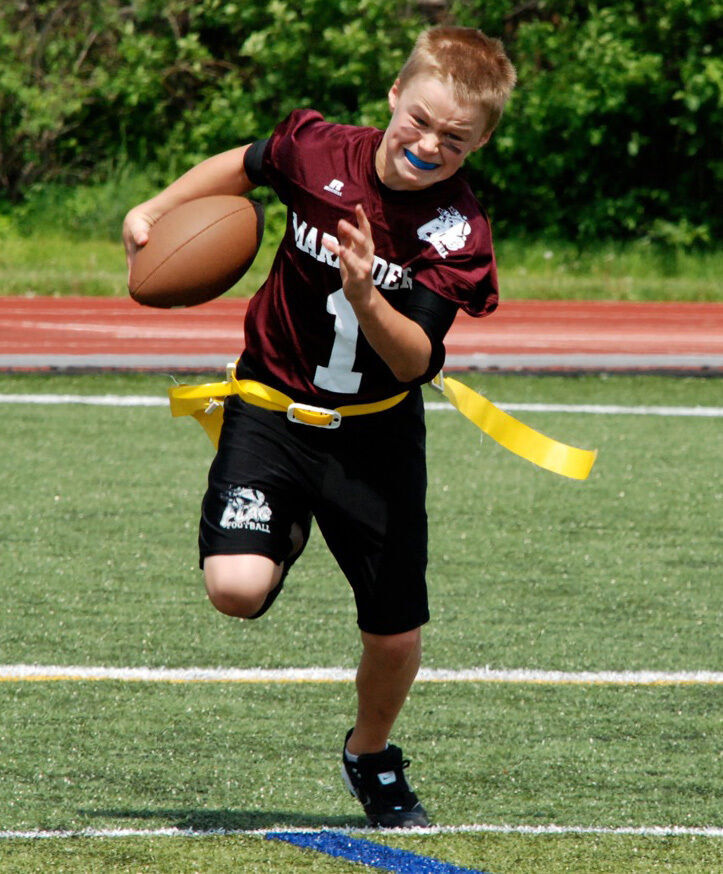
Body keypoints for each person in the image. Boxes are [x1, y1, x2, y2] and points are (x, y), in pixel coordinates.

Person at [123, 25, 516, 828]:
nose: (429, 144)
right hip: (270, 408)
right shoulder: (317, 150)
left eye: (456, 137)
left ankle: (369, 754)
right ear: (392, 100)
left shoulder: (454, 231)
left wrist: (369, 294)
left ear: (480, 143)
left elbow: (413, 362)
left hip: (373, 437)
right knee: (234, 589)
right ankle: (286, 520)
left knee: (395, 633)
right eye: (419, 121)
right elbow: (244, 163)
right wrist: (158, 208)